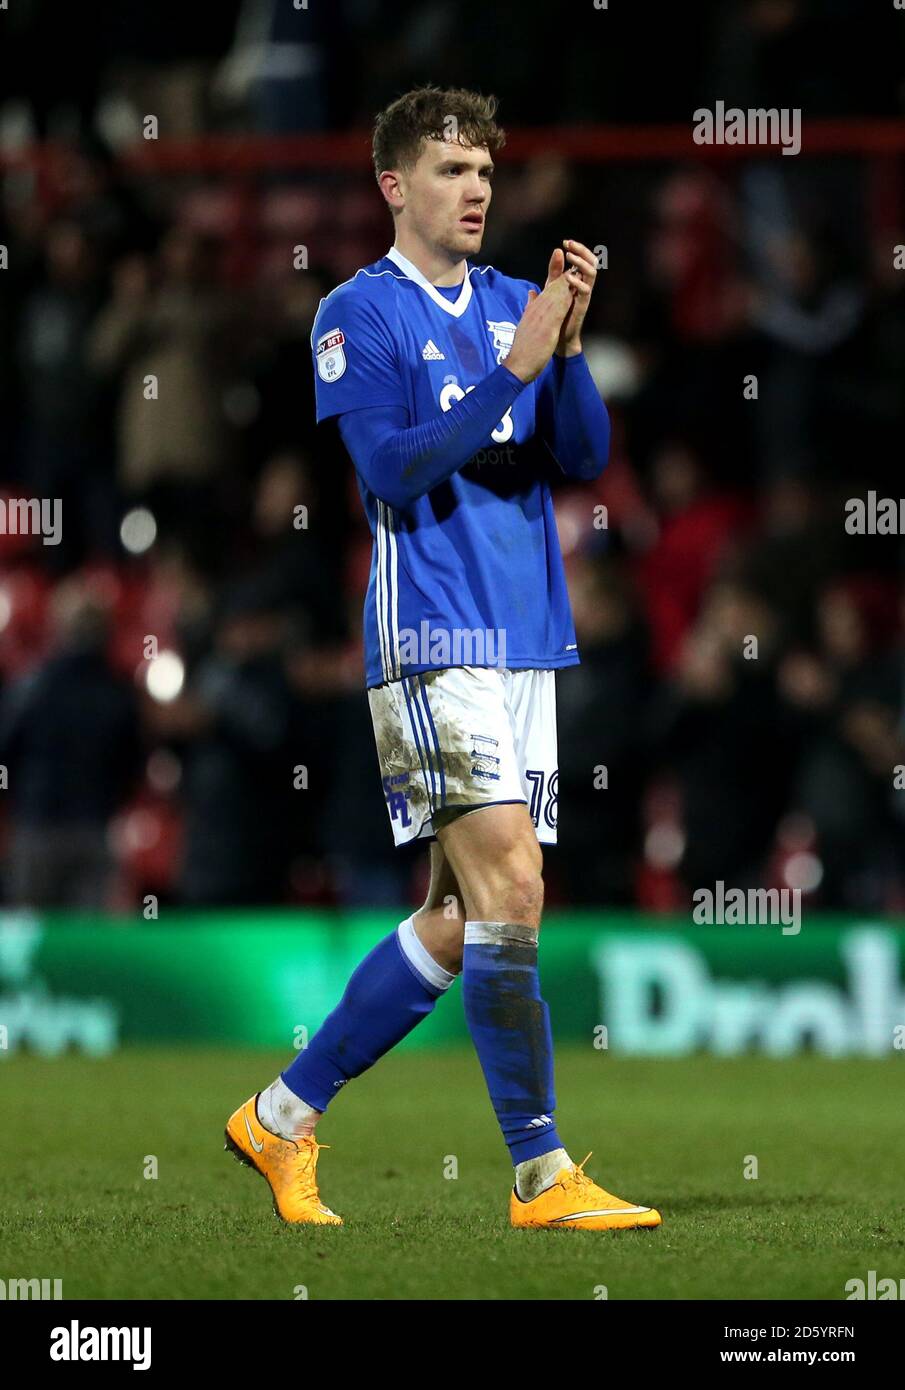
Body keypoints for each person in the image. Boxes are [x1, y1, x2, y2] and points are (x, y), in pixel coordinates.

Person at [225, 85, 660, 1233]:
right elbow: (391, 471)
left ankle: (277, 1117)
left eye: (482, 171)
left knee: (462, 919)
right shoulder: (354, 315)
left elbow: (581, 450)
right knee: (514, 883)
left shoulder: (516, 301)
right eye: (450, 170)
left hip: (525, 643)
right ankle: (538, 1173)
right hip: (431, 638)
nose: (474, 190)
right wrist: (513, 369)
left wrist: (559, 347)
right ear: (392, 186)